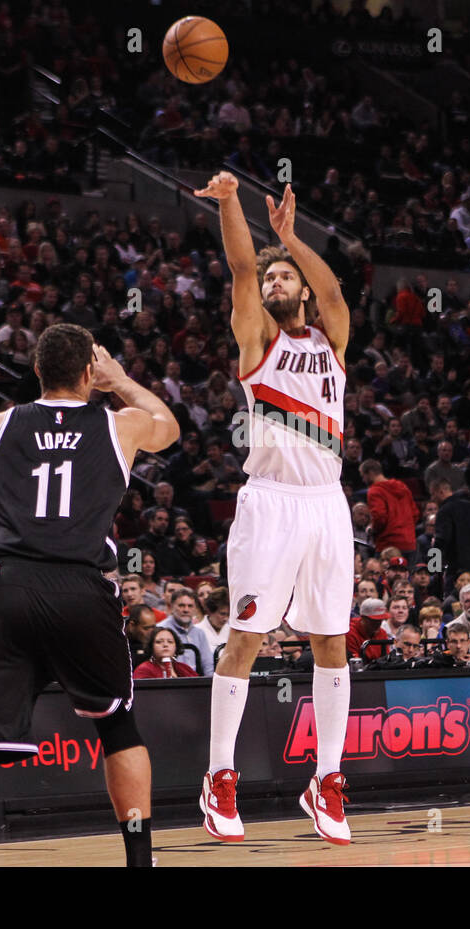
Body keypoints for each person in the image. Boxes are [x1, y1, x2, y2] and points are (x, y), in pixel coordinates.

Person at [0, 328, 179, 868]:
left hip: (5, 585)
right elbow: (170, 424)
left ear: (38, 371)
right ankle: (140, 860)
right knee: (117, 723)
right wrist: (121, 382)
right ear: (89, 374)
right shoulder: (122, 424)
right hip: (80, 588)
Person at [192, 171, 354, 845]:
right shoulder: (259, 343)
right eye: (272, 279)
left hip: (327, 505)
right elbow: (237, 265)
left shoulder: (332, 343)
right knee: (248, 638)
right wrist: (231, 202)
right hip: (272, 503)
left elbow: (337, 292)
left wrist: (292, 239)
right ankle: (219, 776)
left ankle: (327, 782)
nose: (277, 282)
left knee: (332, 643)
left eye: (287, 276)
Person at [133, 629, 198, 678]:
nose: (165, 645)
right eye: (159, 642)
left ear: (176, 647)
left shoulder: (184, 668)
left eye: (170, 642)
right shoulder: (143, 670)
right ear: (151, 647)